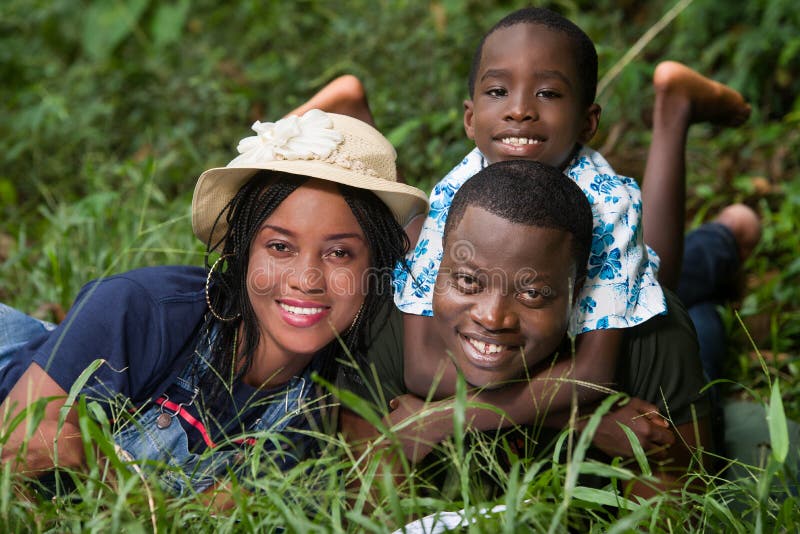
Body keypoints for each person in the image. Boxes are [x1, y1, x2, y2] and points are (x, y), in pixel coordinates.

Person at [290, 7, 755, 434]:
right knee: (420, 244)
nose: (519, 109)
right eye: (498, 92)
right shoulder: (457, 190)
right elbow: (420, 367)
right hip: (515, 283)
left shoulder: (606, 204)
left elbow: (593, 374)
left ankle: (679, 120)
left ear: (587, 123)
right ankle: (354, 117)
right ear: (470, 119)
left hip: (617, 287)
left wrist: (447, 419)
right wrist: (573, 420)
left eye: (548, 93)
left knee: (669, 293)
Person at [0, 109, 428, 497]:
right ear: (240, 252)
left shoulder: (323, 402)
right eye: (280, 247)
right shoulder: (142, 307)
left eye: (339, 253)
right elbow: (27, 444)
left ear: (375, 268)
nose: (307, 279)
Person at [343, 160, 711, 496]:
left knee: (707, 323)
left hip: (687, 341)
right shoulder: (384, 325)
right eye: (469, 282)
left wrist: (441, 418)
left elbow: (674, 503)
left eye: (532, 293)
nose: (492, 317)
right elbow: (369, 508)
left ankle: (728, 237)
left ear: (578, 291)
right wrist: (579, 417)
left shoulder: (652, 333)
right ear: (434, 268)